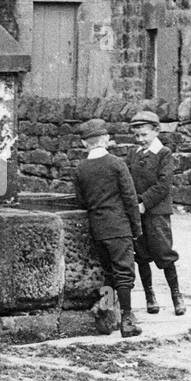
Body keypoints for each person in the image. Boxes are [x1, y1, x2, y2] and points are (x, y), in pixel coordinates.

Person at [72, 118, 143, 338]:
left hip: (98, 228)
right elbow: (130, 198)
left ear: (85, 144)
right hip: (118, 226)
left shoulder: (80, 169)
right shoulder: (116, 164)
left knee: (109, 273)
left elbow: (81, 201)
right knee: (125, 274)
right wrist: (136, 228)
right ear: (105, 140)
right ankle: (127, 320)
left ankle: (104, 310)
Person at [126, 109, 184, 316]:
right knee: (141, 255)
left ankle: (176, 296)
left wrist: (144, 203)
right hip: (137, 212)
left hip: (157, 212)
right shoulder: (133, 154)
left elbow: (163, 184)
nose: (140, 139)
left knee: (164, 253)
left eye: (144, 135)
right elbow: (127, 181)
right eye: (137, 135)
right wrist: (134, 204)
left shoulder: (164, 154)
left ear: (156, 131)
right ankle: (150, 296)